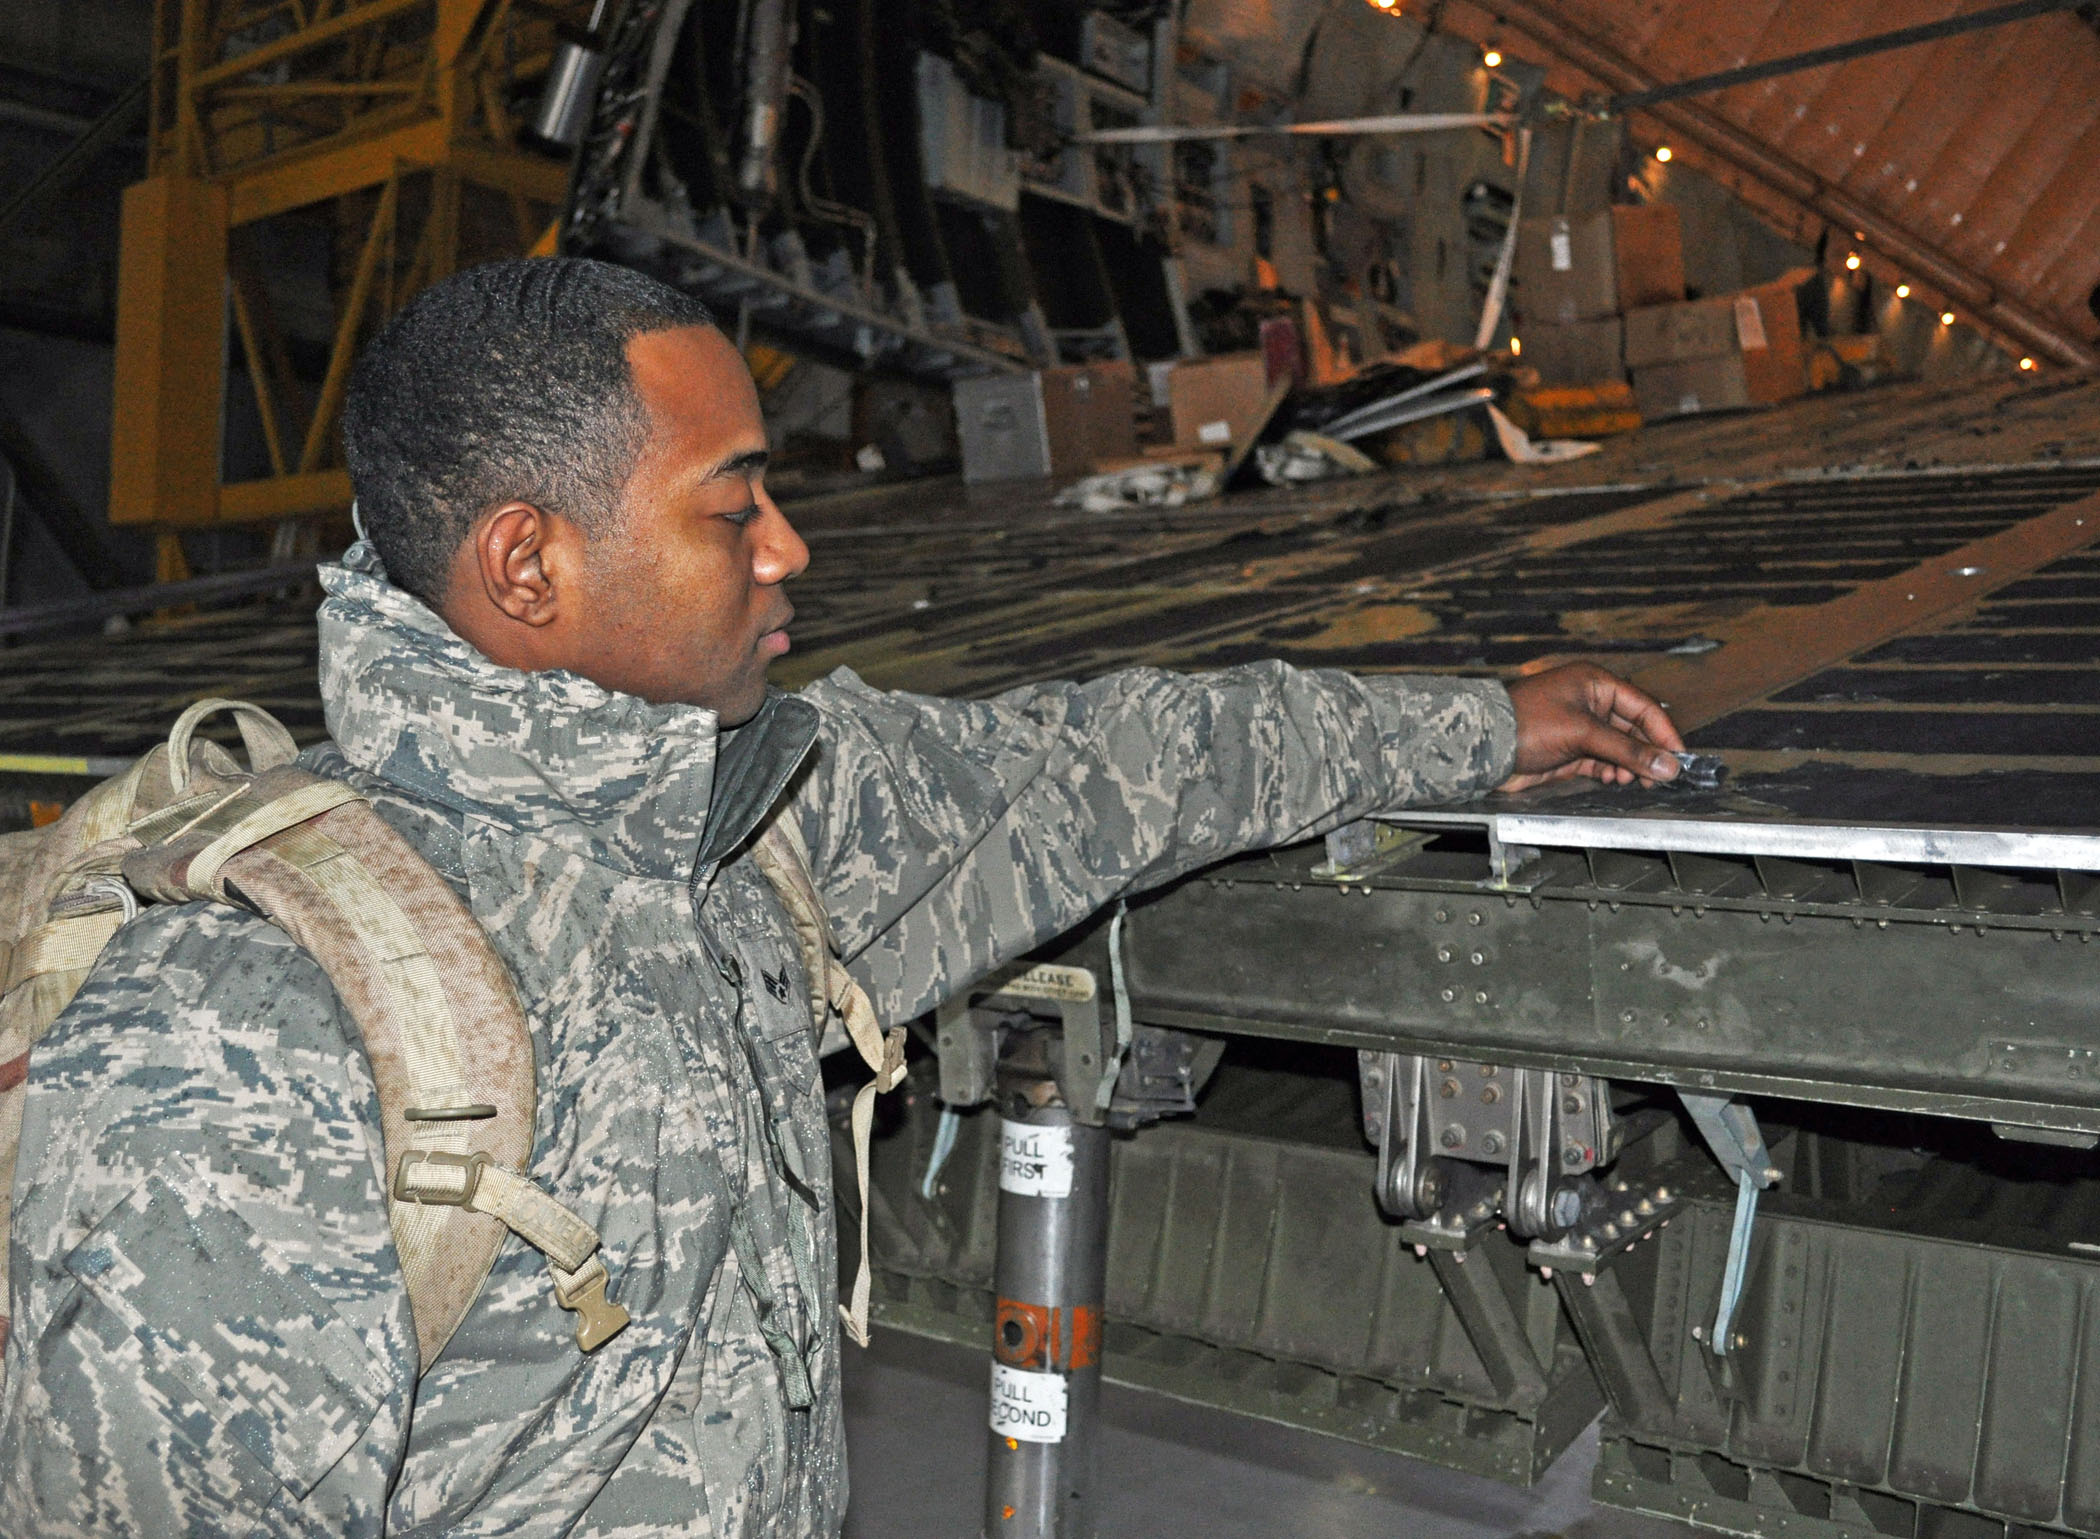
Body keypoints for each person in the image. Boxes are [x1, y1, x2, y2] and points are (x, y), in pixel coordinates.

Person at [0, 258, 1682, 1537]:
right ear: (529, 567)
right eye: (732, 505)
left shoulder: (747, 834)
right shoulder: (244, 1045)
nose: (791, 547)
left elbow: (1114, 763)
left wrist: (1472, 723)